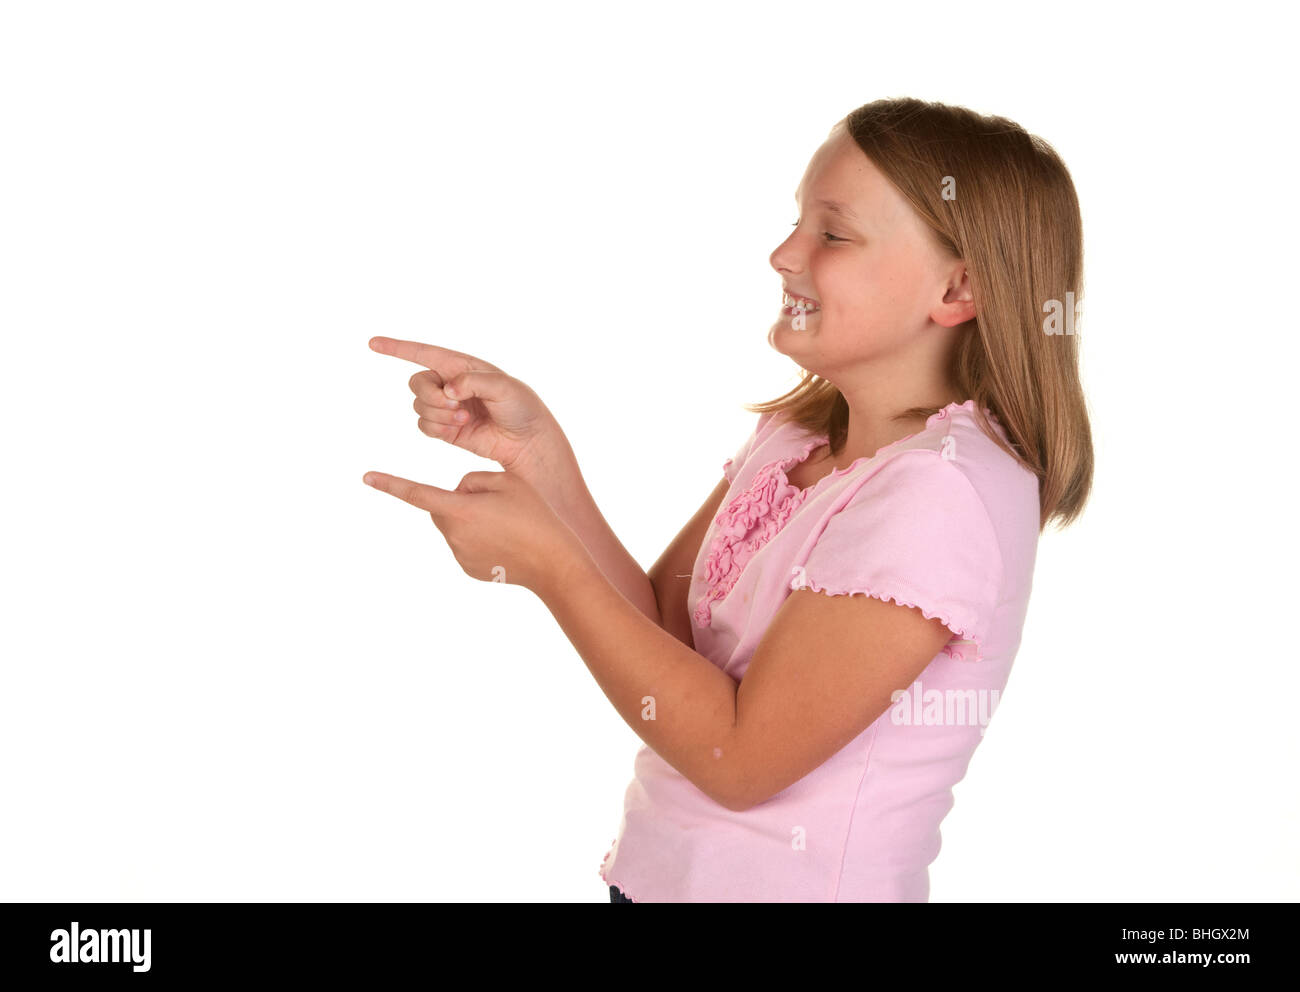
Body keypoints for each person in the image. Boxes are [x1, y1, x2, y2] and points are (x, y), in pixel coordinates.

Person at [363, 96, 1093, 902]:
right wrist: (539, 458)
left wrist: (550, 571)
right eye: (796, 222)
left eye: (833, 233)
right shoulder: (797, 438)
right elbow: (667, 631)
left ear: (959, 288)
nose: (783, 254)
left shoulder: (941, 491)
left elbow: (741, 762)